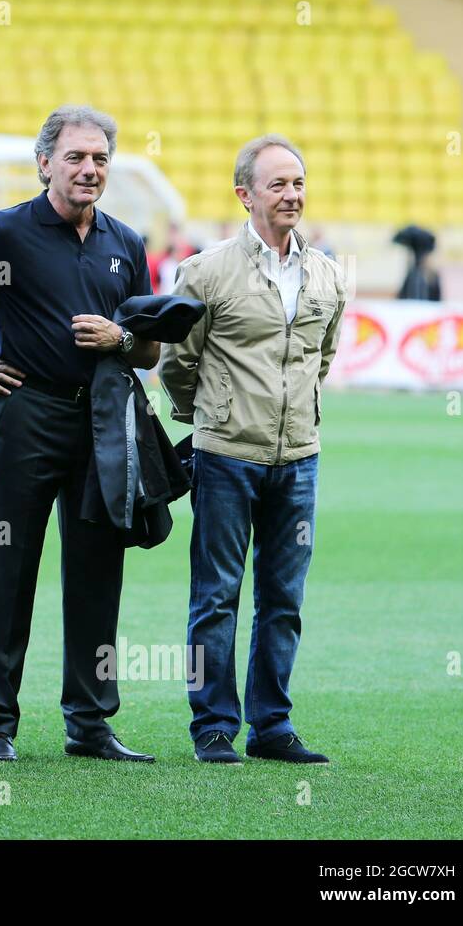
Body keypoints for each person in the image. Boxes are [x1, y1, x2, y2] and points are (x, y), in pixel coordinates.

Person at [0, 105, 159, 763]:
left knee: (97, 572)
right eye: (76, 157)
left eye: (100, 158)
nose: (89, 169)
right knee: (8, 568)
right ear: (44, 162)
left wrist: (124, 337)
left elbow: (150, 350)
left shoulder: (124, 244)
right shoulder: (2, 234)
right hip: (28, 413)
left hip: (104, 420)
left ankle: (89, 722)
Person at [160, 134, 345, 765]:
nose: (291, 194)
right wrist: (210, 417)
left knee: (284, 599)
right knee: (215, 596)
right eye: (277, 184)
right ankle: (213, 726)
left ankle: (273, 726)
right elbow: (177, 361)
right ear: (245, 194)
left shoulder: (325, 271)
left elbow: (322, 356)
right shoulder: (206, 271)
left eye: (297, 183)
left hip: (299, 458)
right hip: (225, 457)